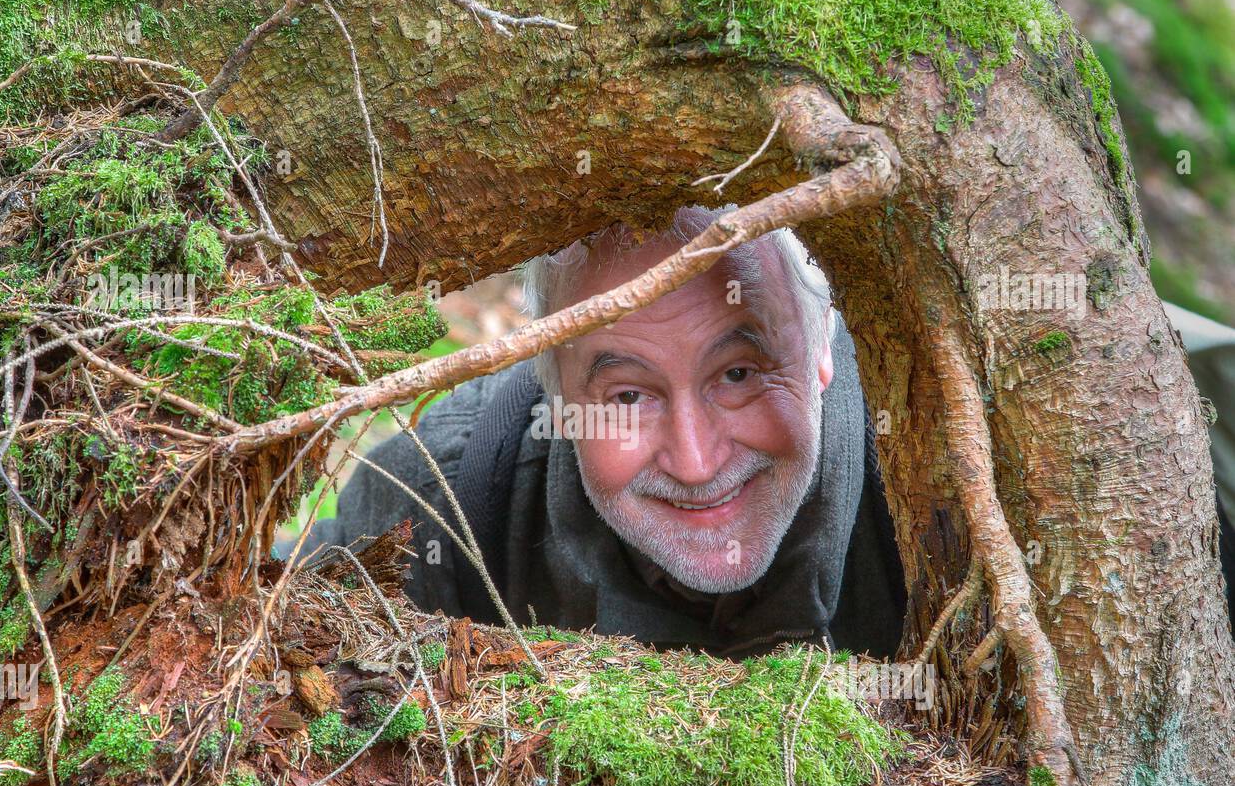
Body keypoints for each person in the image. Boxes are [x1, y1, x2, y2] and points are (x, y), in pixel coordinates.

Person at [280, 206, 906, 658]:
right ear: (551, 390)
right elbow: (274, 600)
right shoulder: (456, 488)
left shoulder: (937, 486)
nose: (695, 463)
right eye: (629, 396)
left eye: (738, 374)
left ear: (822, 336)